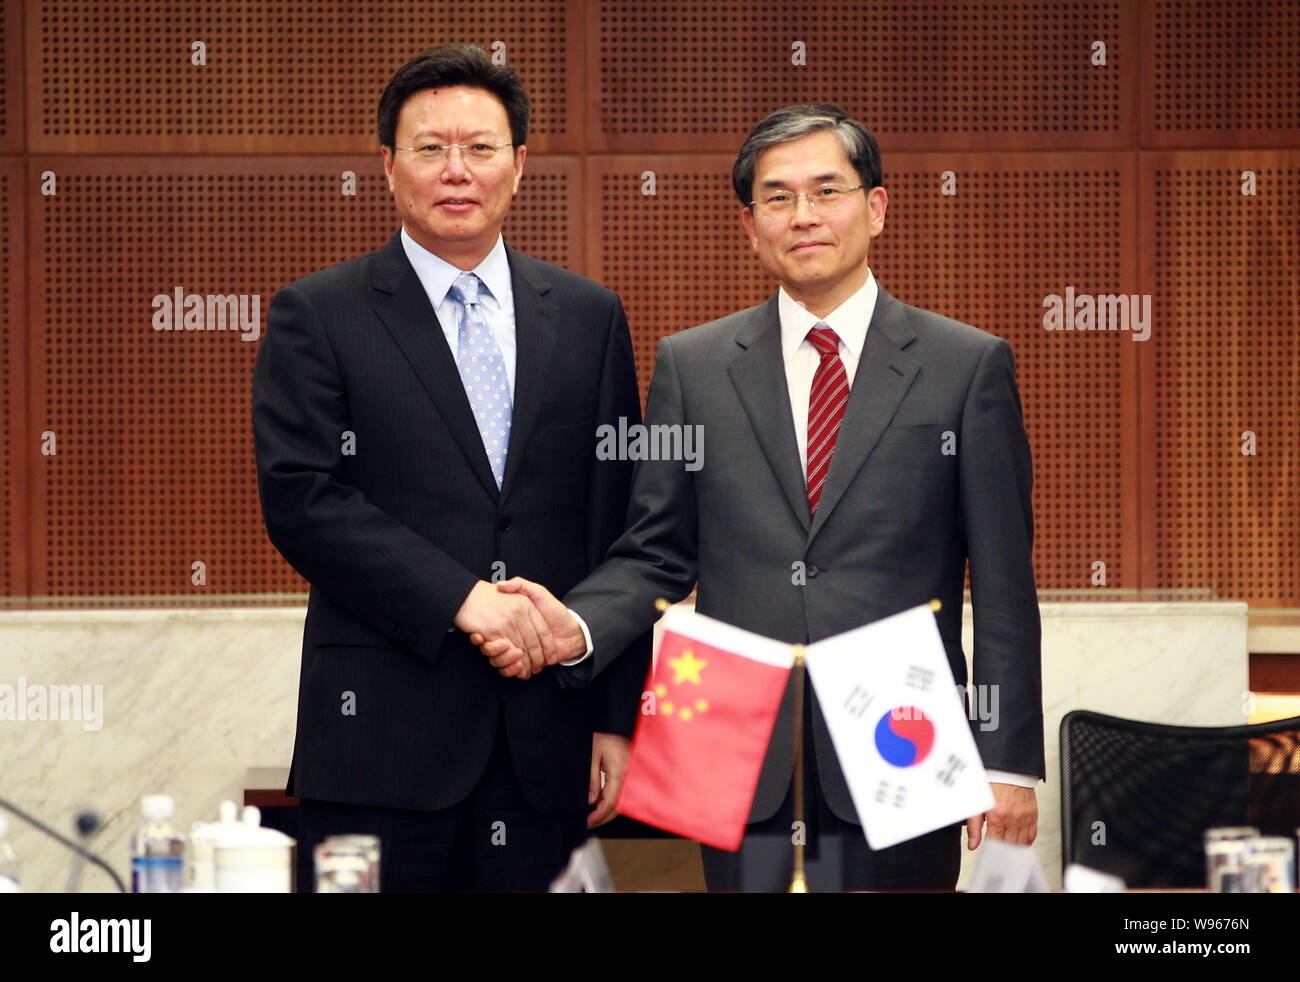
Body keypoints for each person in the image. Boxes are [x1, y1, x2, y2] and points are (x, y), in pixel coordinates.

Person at [473, 104, 1043, 891]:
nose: (803, 216)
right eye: (777, 198)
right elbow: (654, 553)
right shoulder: (693, 366)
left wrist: (1009, 759)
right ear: (749, 225)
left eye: (827, 191)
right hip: (729, 741)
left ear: (876, 208)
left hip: (904, 740)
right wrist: (572, 626)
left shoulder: (966, 365)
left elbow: (1007, 587)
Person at [252, 44, 649, 892]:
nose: (456, 169)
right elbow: (304, 500)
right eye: (430, 148)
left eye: (481, 147)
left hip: (549, 743)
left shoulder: (588, 316)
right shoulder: (318, 314)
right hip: (378, 749)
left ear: (520, 165)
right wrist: (462, 599)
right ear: (389, 168)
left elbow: (623, 523)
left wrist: (617, 718)